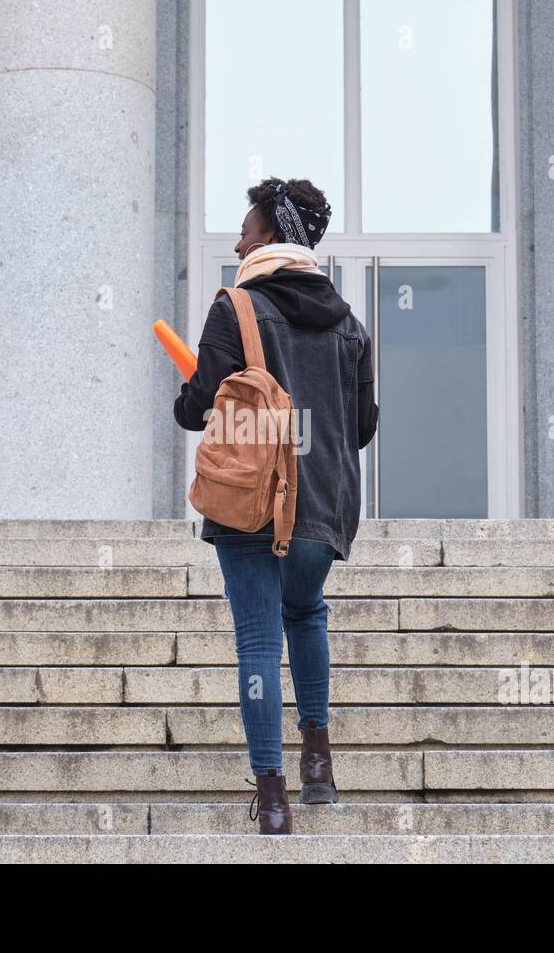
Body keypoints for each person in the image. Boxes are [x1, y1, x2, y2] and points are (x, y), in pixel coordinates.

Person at [173, 177, 379, 834]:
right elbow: (363, 424)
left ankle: (272, 801)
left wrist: (193, 395)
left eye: (244, 228)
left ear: (267, 235)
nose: (236, 241)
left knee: (259, 640)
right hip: (322, 504)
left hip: (249, 502)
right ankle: (318, 763)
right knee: (306, 612)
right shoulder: (349, 323)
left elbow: (198, 403)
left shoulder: (234, 309)